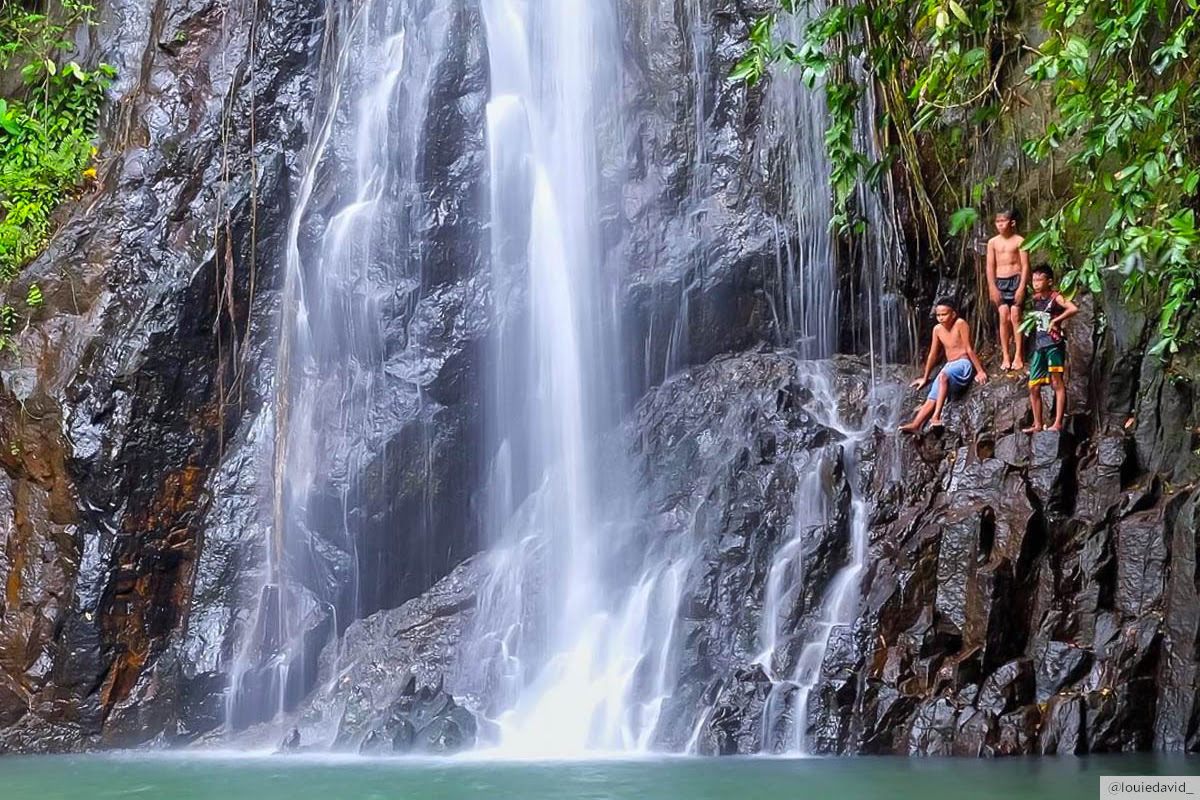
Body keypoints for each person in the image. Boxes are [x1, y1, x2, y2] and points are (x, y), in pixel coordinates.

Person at [899, 299, 988, 432]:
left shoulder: (960, 324)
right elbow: (933, 355)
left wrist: (980, 371)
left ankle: (936, 416)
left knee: (943, 377)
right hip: (949, 366)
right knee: (932, 396)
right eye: (938, 315)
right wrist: (925, 377)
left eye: (944, 314)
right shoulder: (937, 329)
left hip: (963, 364)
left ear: (953, 314)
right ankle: (916, 424)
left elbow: (969, 349)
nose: (940, 318)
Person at [1024, 265, 1077, 433]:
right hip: (1039, 344)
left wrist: (1056, 321)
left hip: (1053, 343)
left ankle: (1058, 422)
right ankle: (1038, 424)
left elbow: (1073, 308)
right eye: (1034, 280)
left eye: (1040, 280)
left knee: (1056, 382)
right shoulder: (1035, 299)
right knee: (1033, 385)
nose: (1036, 283)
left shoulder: (1056, 297)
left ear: (1049, 281)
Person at [986, 209, 1031, 371]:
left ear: (1012, 223)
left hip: (1016, 280)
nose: (1000, 225)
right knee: (1003, 316)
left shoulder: (1020, 241)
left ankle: (1019, 355)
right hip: (1000, 281)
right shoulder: (993, 242)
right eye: (997, 222)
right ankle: (1005, 355)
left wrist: (1021, 288)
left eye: (1003, 221)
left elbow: (1025, 266)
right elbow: (990, 266)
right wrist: (992, 287)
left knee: (1015, 316)